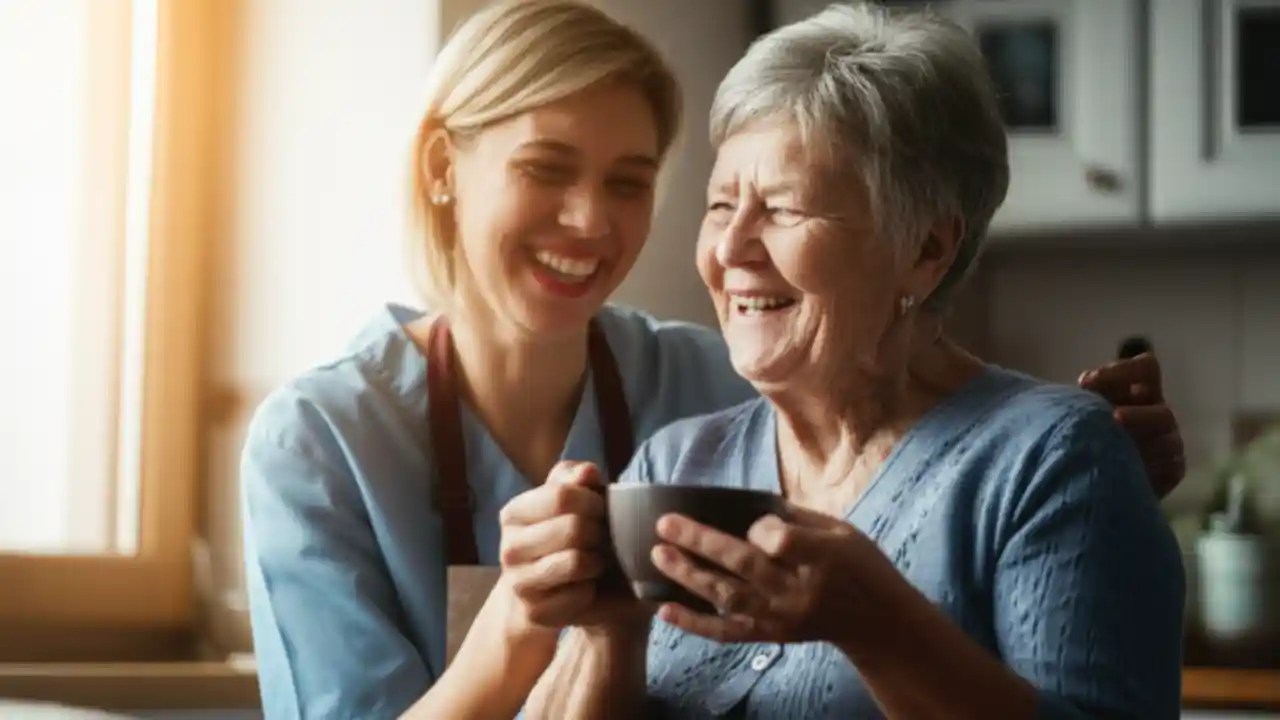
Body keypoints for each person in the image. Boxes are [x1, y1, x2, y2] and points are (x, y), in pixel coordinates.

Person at [239, 1, 1184, 718]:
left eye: (782, 207)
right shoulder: (678, 456)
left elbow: (952, 445)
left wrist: (1073, 453)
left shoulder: (1048, 456)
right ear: (445, 169)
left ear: (927, 249)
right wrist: (591, 632)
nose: (729, 250)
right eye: (721, 204)